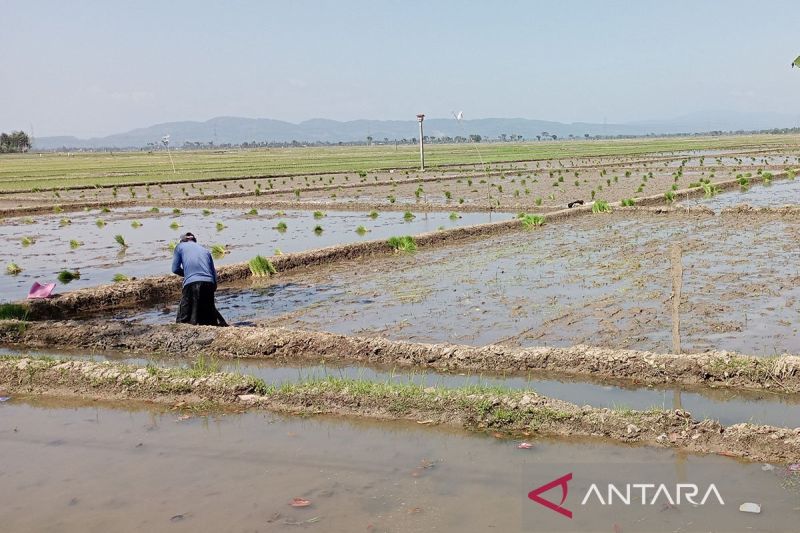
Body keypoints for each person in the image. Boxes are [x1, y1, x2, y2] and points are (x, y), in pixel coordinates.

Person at [171, 232, 228, 326]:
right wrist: (212, 288)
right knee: (208, 319)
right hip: (209, 283)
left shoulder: (179, 247)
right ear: (194, 240)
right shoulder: (205, 250)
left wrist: (188, 275)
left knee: (183, 319)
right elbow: (213, 272)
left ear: (182, 241)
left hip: (191, 283)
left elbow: (175, 269)